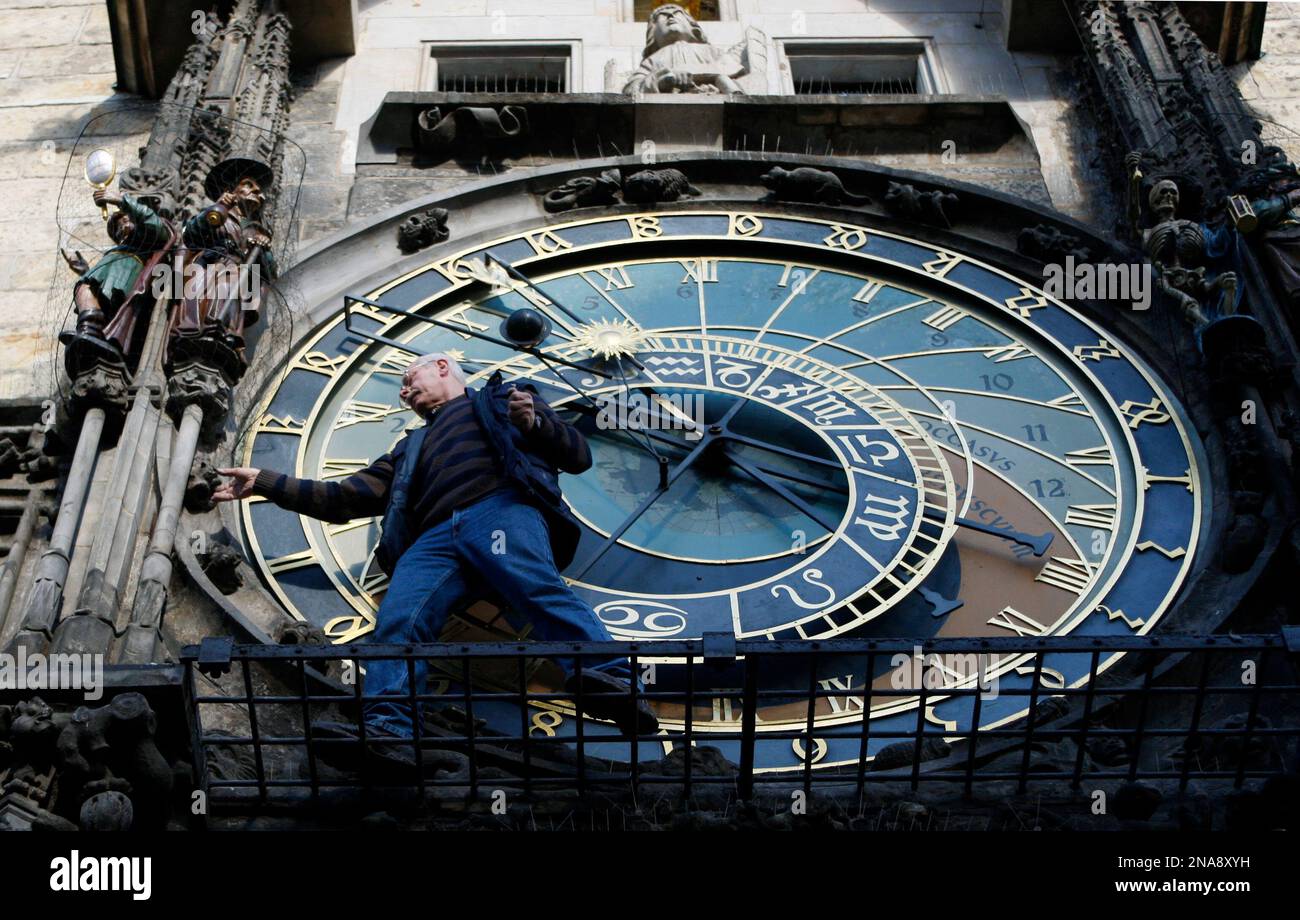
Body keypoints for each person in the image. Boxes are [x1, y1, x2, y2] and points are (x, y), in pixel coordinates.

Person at [214, 353, 656, 772]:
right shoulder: (411, 448)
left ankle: (610, 680)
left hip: (498, 507)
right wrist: (267, 482)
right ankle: (390, 728)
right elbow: (346, 498)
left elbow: (577, 455)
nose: (404, 393)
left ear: (443, 367)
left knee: (535, 587)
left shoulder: (503, 399)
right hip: (436, 537)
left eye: (409, 381)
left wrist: (536, 422)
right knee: (400, 619)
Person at [622, 3, 747, 95]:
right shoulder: (652, 60)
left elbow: (733, 71)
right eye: (662, 15)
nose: (670, 16)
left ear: (691, 24)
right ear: (653, 31)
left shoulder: (711, 52)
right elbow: (632, 89)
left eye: (677, 13)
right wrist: (660, 81)